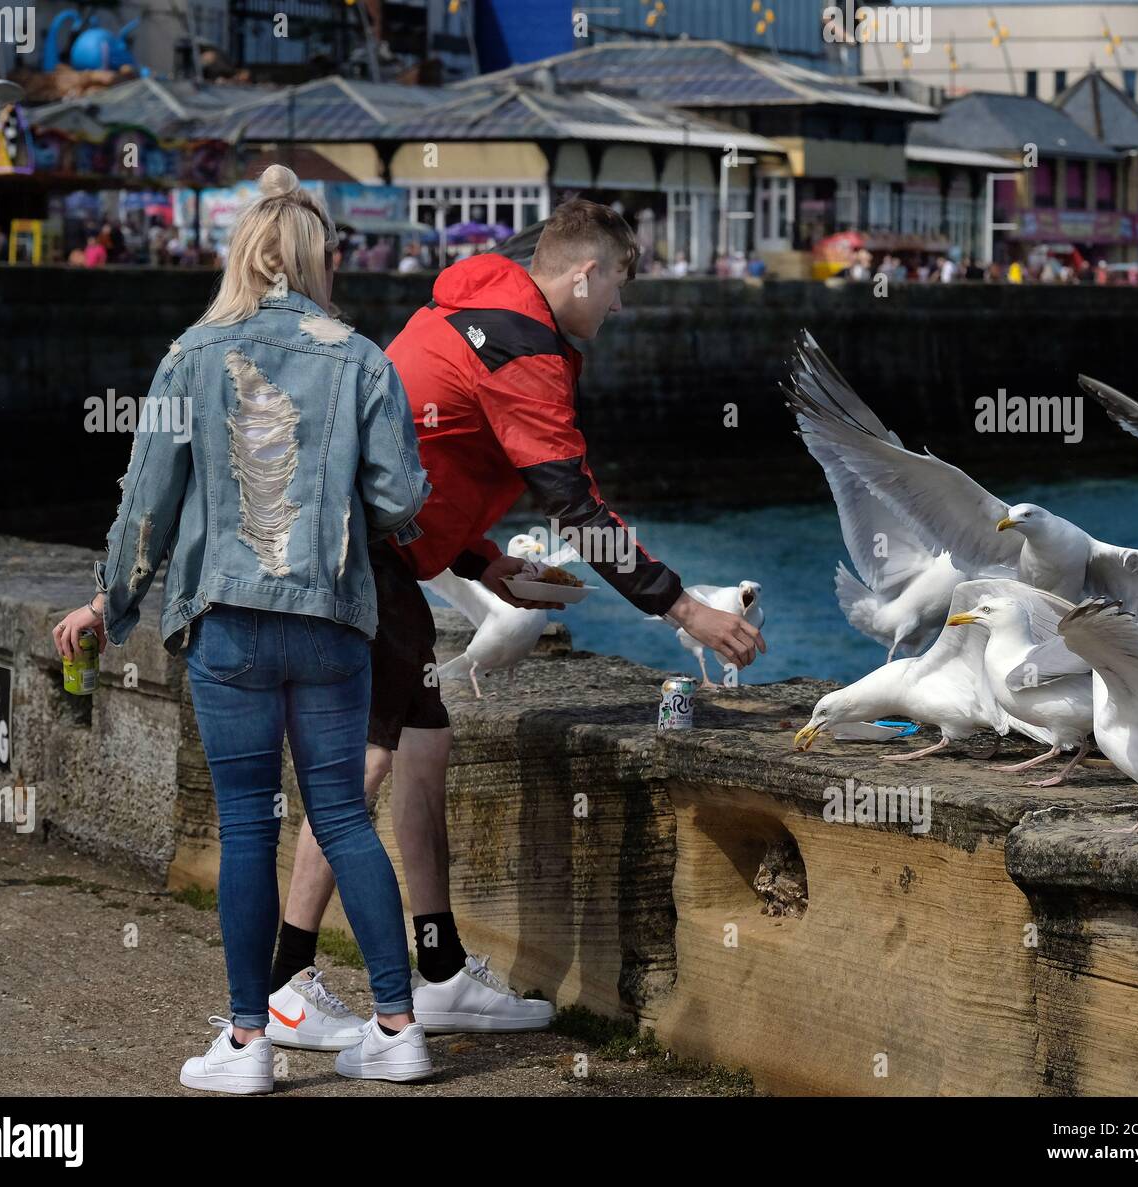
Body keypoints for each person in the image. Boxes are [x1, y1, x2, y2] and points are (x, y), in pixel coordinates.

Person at [263, 197, 766, 1043]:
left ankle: (442, 971)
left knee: (423, 743)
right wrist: (685, 608)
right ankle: (286, 982)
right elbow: (574, 504)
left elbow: (424, 457)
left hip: (361, 540)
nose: (620, 307)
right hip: (359, 555)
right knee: (374, 752)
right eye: (618, 286)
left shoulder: (480, 303)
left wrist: (480, 558)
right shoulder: (525, 346)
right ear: (585, 272)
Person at [51, 164, 435, 1094]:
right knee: (343, 816)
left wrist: (109, 603)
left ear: (241, 253)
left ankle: (249, 1041)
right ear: (317, 259)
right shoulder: (362, 357)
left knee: (247, 829)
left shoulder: (192, 353)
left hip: (228, 627)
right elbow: (402, 497)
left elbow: (147, 505)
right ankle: (397, 1027)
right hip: (333, 623)